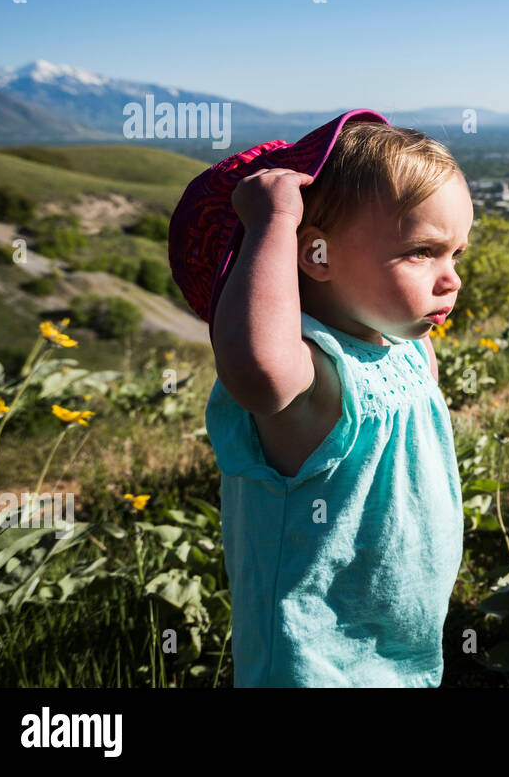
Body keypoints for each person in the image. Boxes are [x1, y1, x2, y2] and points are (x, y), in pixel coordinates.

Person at [196, 116, 472, 686]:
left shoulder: (409, 349)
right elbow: (257, 370)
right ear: (315, 255)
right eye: (423, 251)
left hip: (400, 640)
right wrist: (272, 223)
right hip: (315, 656)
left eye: (456, 254)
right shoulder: (313, 370)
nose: (452, 280)